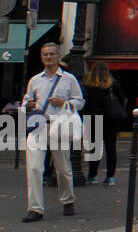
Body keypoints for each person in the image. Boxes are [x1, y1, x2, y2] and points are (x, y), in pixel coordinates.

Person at [22, 42, 83, 221]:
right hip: (39, 125)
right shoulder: (35, 80)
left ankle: (68, 199)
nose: (48, 57)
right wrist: (29, 105)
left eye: (51, 54)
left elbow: (79, 101)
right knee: (33, 167)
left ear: (57, 56)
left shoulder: (69, 79)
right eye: (45, 55)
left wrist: (63, 103)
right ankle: (35, 209)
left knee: (63, 168)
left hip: (59, 125)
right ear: (42, 57)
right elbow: (26, 100)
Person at [83, 63, 125, 185]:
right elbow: (121, 100)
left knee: (94, 149)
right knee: (111, 147)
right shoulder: (113, 85)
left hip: (94, 118)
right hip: (111, 119)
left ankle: (92, 175)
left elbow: (86, 105)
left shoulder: (89, 86)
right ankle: (110, 176)